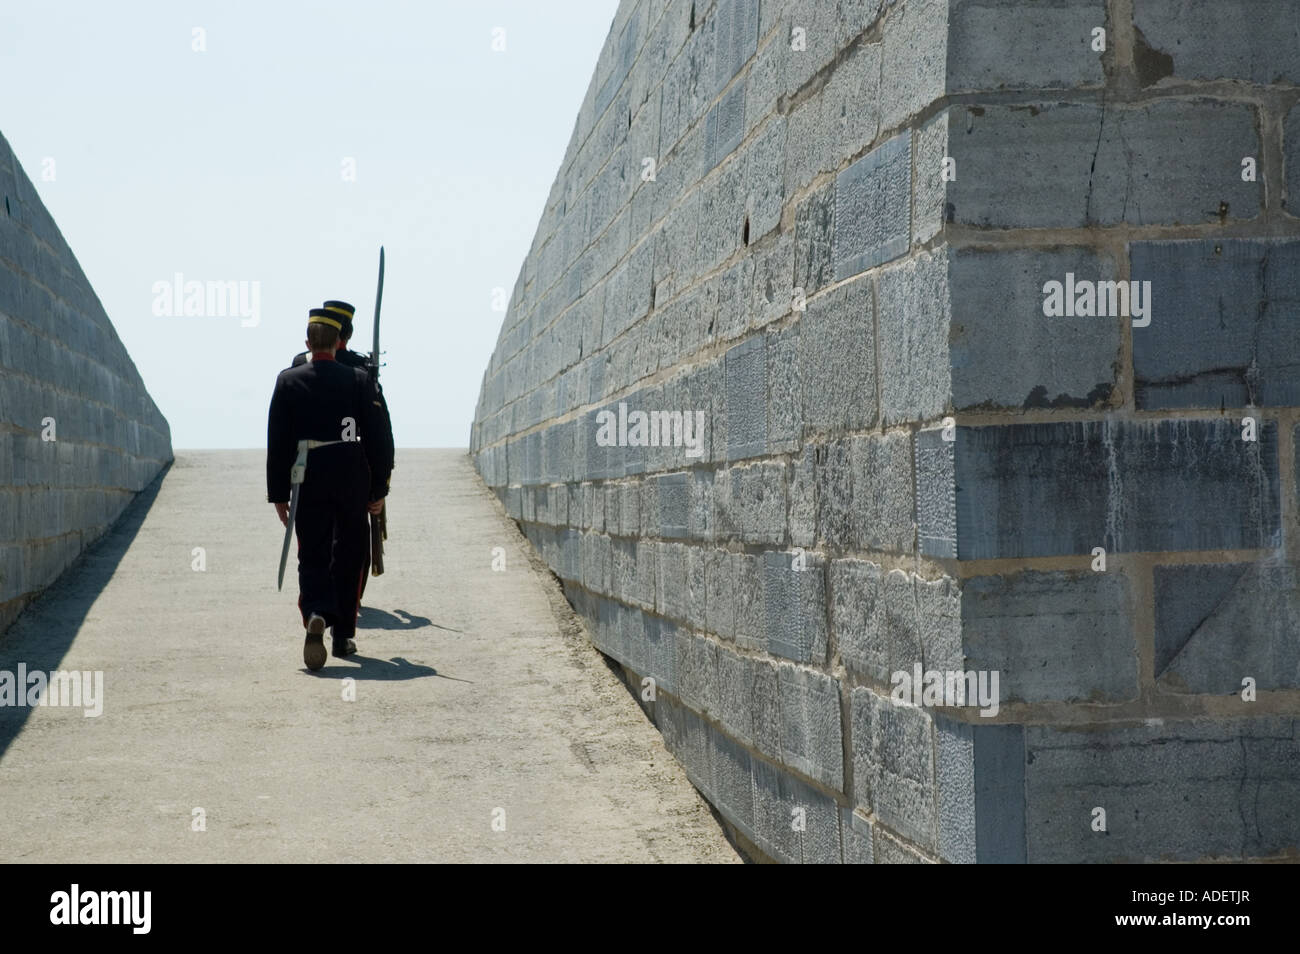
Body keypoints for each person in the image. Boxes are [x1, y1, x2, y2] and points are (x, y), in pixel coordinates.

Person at [267, 307, 393, 670]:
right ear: (338, 343)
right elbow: (379, 437)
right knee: (350, 552)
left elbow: (278, 441)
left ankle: (317, 612)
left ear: (307, 343)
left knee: (313, 551)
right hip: (351, 474)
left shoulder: (288, 380)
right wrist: (379, 487)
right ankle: (343, 635)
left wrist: (278, 492)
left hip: (307, 475)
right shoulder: (358, 380)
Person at [290, 300, 394, 608]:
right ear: (344, 336)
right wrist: (381, 482)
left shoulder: (298, 364)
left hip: (307, 463)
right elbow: (379, 428)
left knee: (314, 543)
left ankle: (317, 603)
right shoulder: (361, 369)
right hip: (354, 463)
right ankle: (350, 602)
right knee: (353, 541)